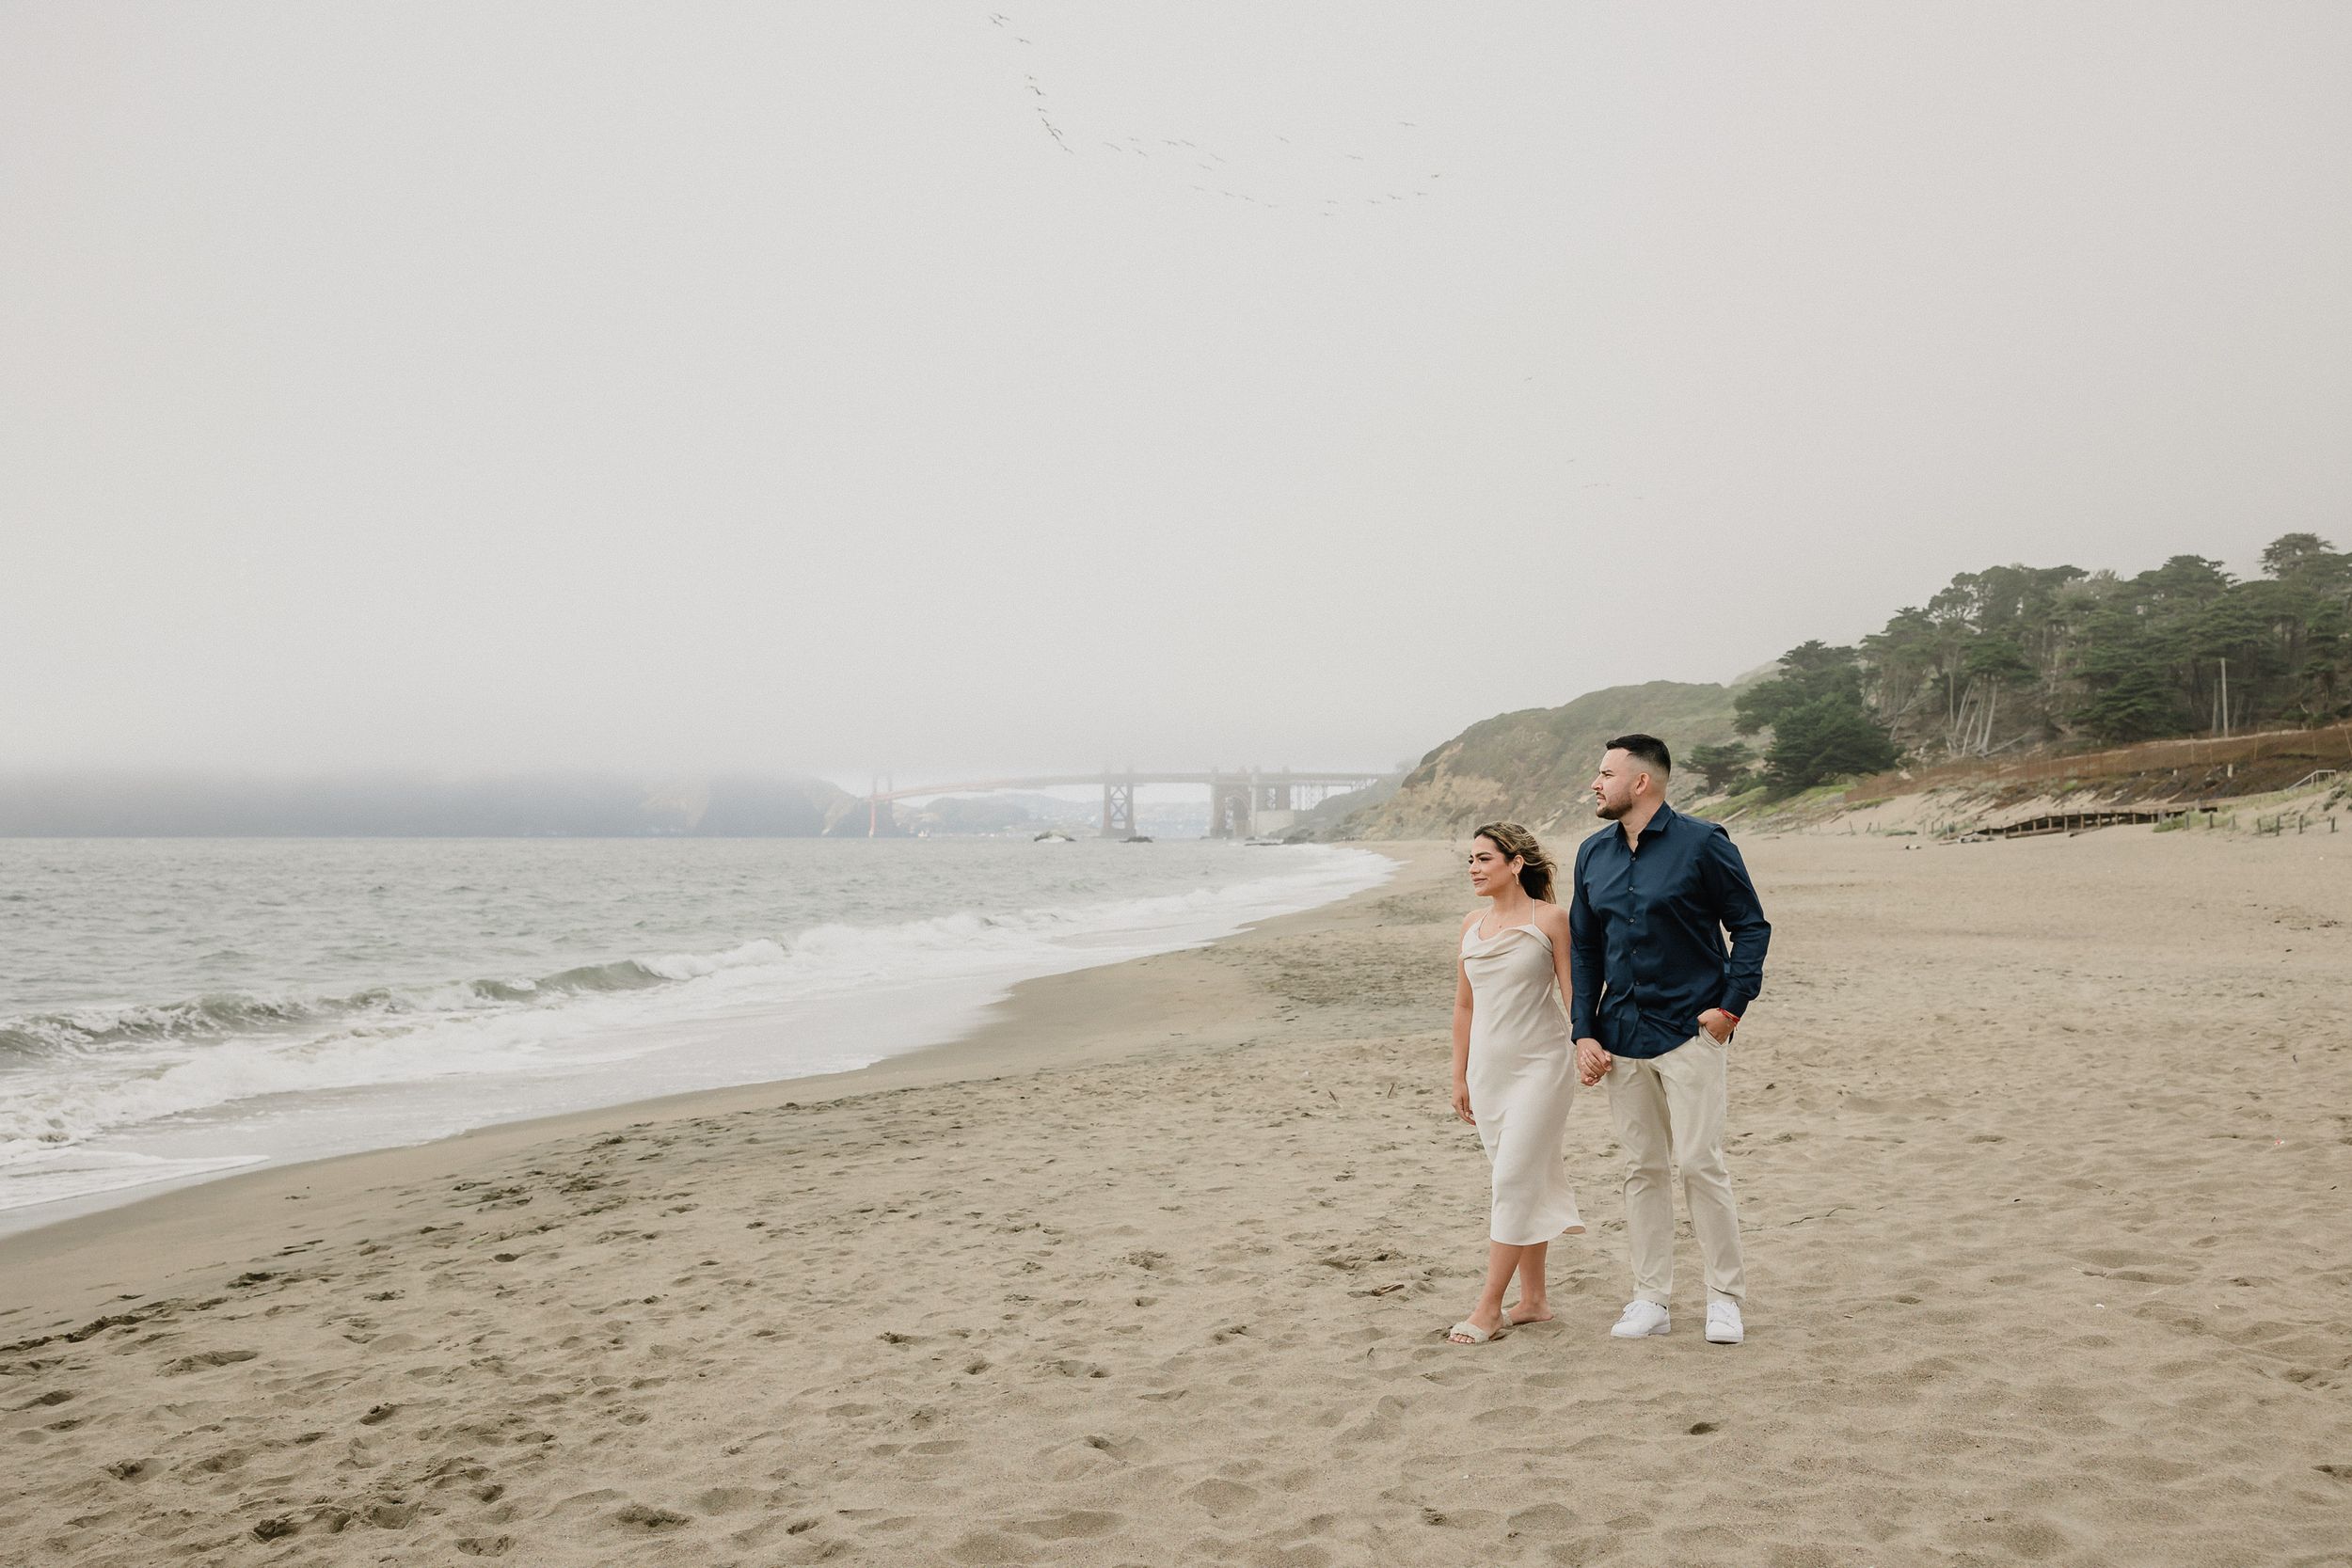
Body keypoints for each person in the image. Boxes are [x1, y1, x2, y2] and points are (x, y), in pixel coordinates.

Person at [1568, 734, 1770, 1346]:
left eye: (1606, 774)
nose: (1596, 784)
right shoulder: (1591, 854)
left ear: (1642, 782)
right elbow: (1584, 947)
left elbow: (1751, 926)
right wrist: (1583, 1030)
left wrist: (1730, 1009)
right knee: (1642, 1168)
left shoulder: (1703, 843)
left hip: (1690, 1032)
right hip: (1621, 1036)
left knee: (1700, 1163)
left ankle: (1724, 1297)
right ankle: (1650, 1297)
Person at [1445, 821, 1582, 1345]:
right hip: (1488, 1073)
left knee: (1513, 1181)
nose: (1474, 869)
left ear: (1515, 863)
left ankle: (1488, 1308)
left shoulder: (1550, 919)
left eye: (1484, 859)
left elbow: (1572, 991)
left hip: (1541, 1068)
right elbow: (1463, 1005)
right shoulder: (1470, 924)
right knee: (1527, 1180)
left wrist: (1587, 1044)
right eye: (1471, 861)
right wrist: (1459, 1075)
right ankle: (1535, 1301)